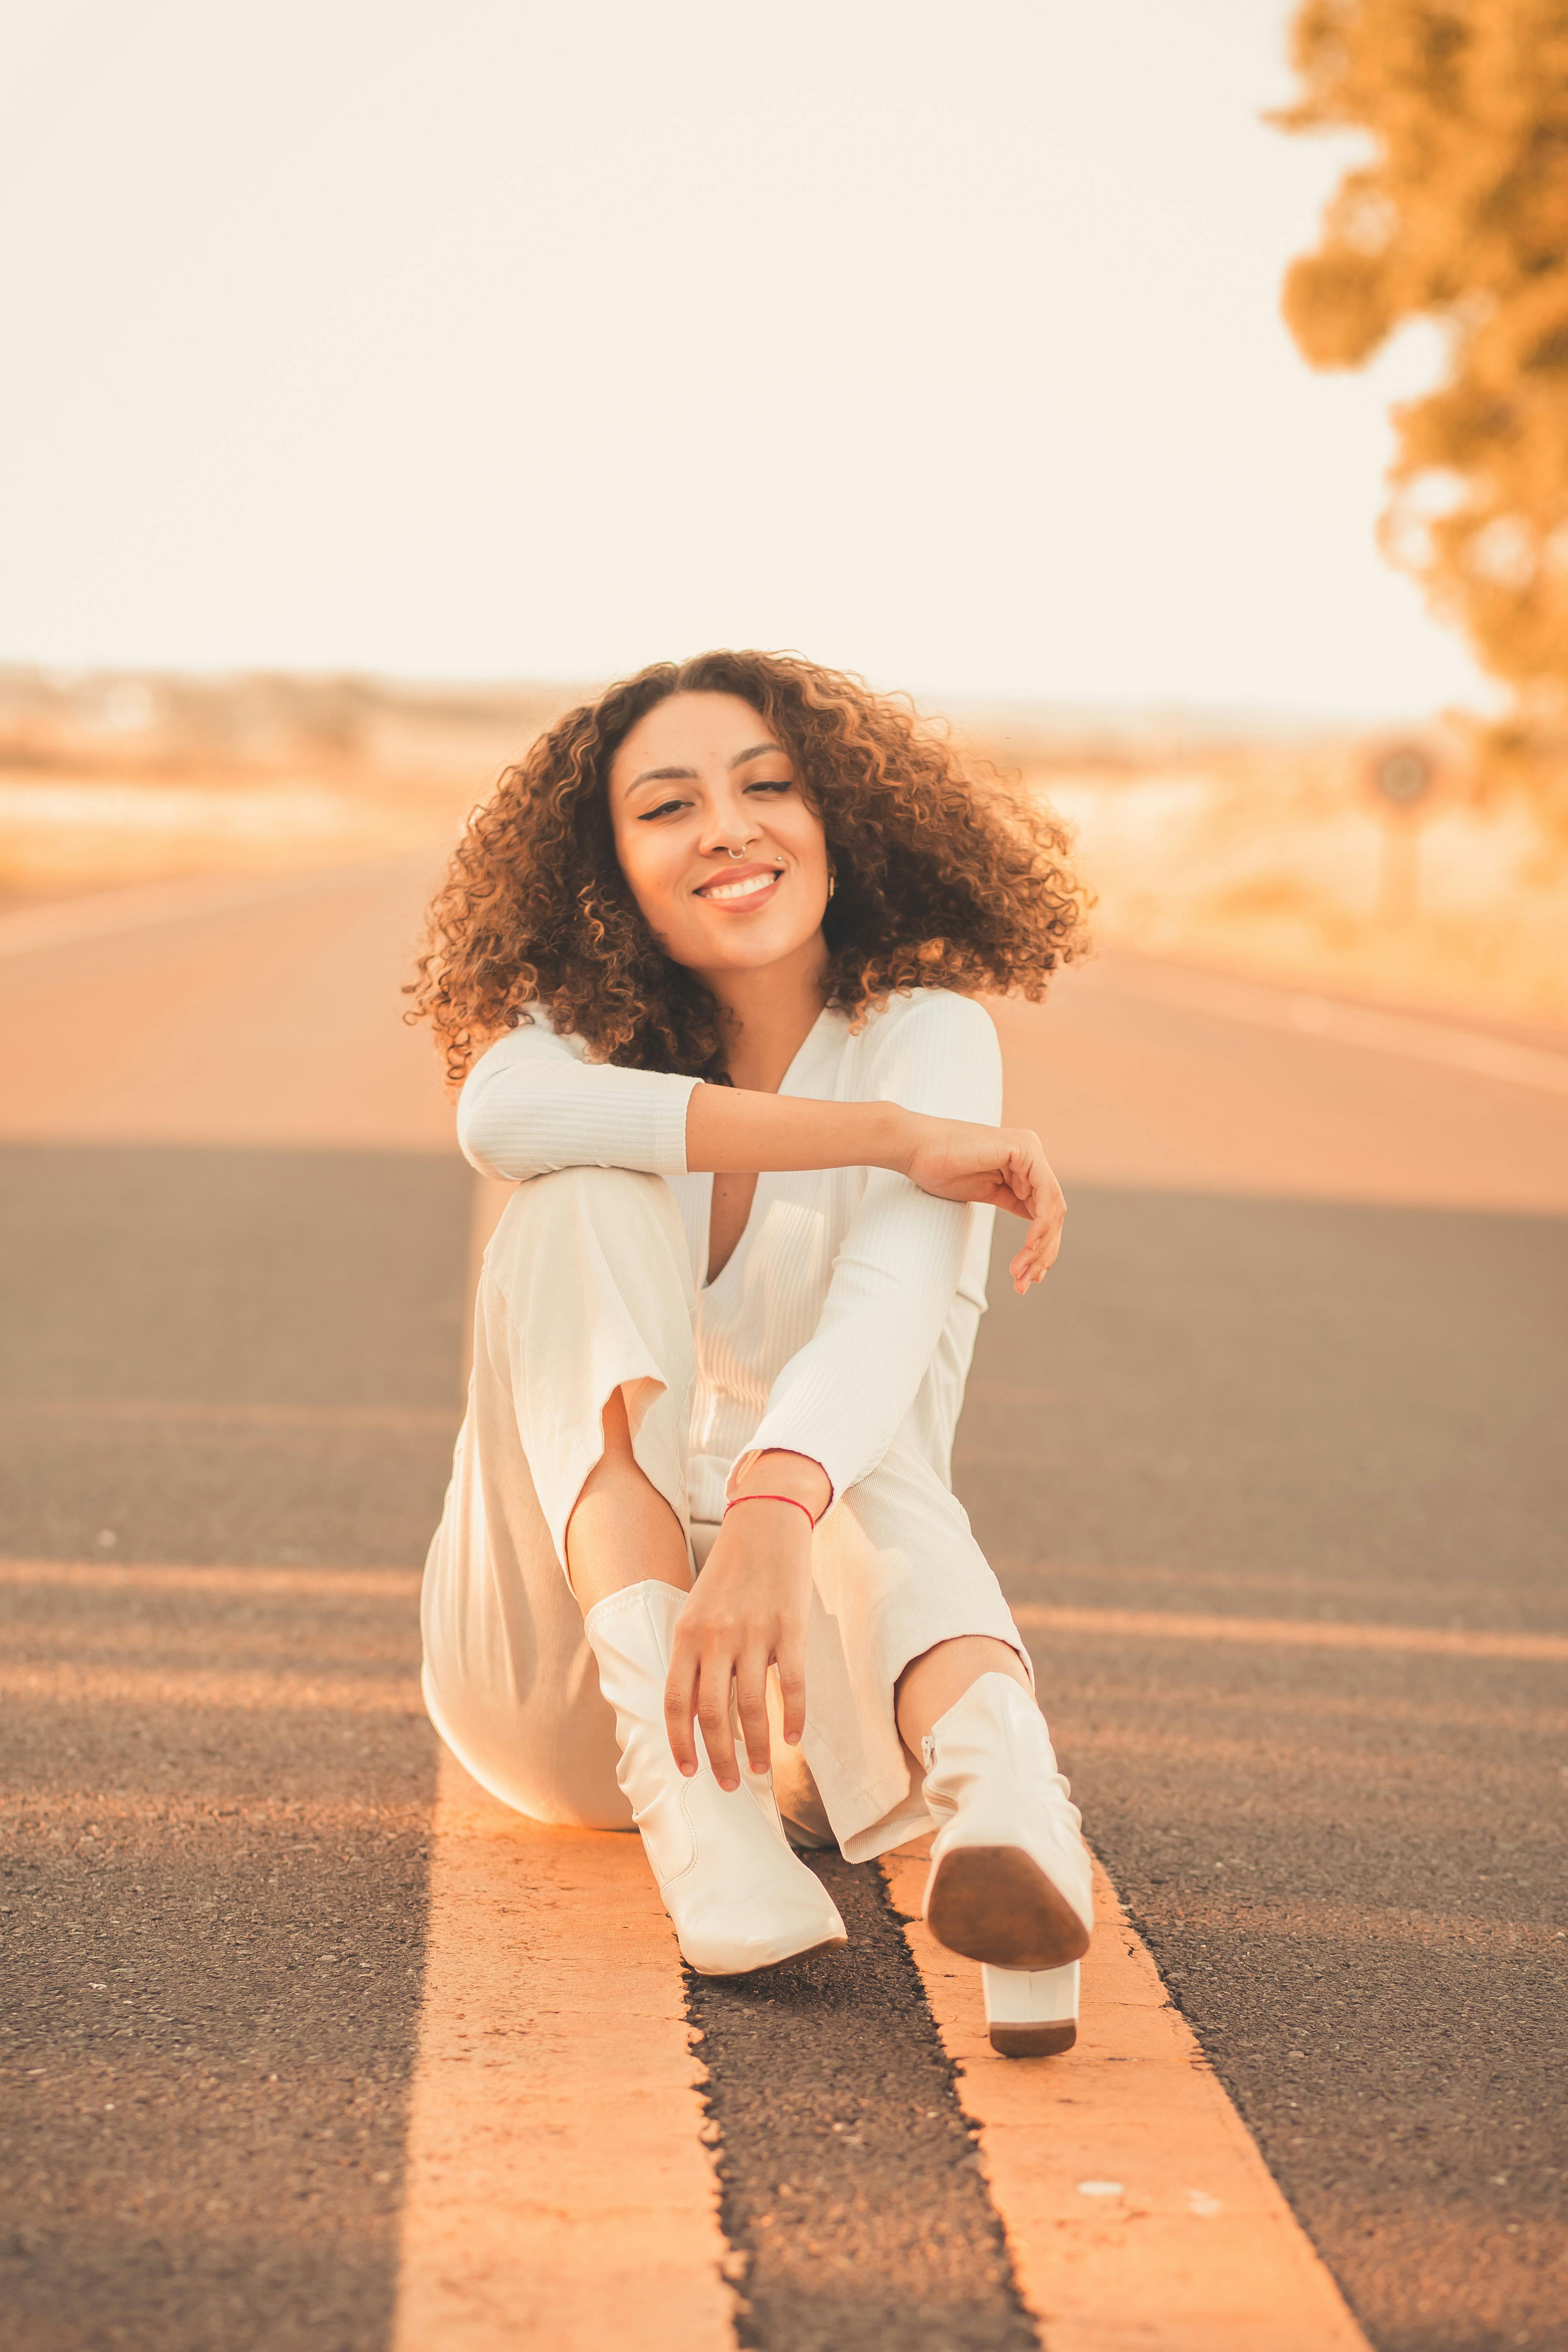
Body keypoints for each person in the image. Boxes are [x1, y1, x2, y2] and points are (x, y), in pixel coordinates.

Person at [409, 649, 1094, 2056]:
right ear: (610, 867)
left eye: (767, 786)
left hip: (807, 1697)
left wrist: (774, 1517)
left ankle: (1006, 1805)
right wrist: (891, 1138)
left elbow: (887, 1316)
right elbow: (502, 1124)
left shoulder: (930, 1035)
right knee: (572, 1199)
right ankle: (697, 1826)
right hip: (551, 1687)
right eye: (667, 806)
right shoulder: (572, 1044)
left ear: (841, 820)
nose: (726, 824)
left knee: (870, 1444)